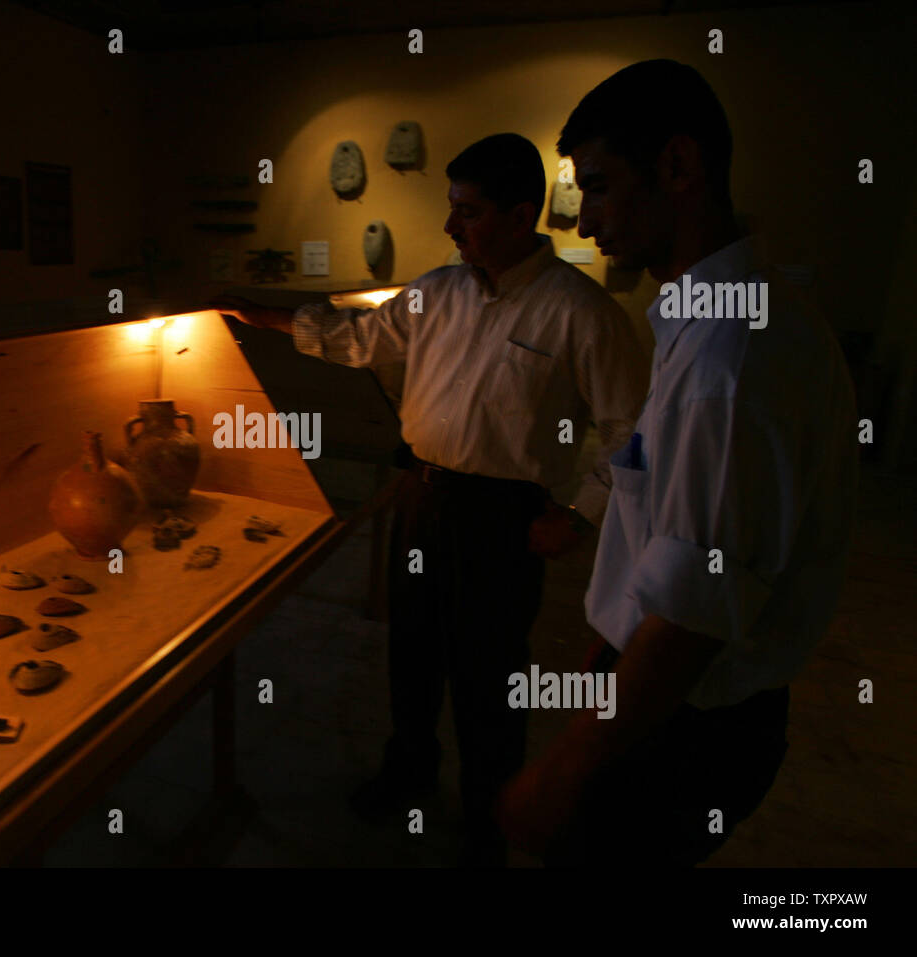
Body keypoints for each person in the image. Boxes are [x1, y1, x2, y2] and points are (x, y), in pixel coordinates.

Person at [212, 133, 648, 866]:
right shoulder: (437, 292)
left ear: (519, 215)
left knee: (489, 672)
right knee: (411, 652)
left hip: (503, 518)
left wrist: (580, 513)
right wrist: (263, 314)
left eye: (467, 212)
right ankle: (407, 773)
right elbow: (356, 337)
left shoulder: (580, 312)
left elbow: (631, 429)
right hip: (421, 494)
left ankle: (488, 814)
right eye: (452, 209)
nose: (451, 227)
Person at [496, 60, 859, 866]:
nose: (584, 223)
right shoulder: (718, 322)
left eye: (598, 187)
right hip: (669, 702)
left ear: (679, 167)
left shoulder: (728, 359)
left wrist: (556, 772)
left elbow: (690, 624)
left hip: (683, 723)